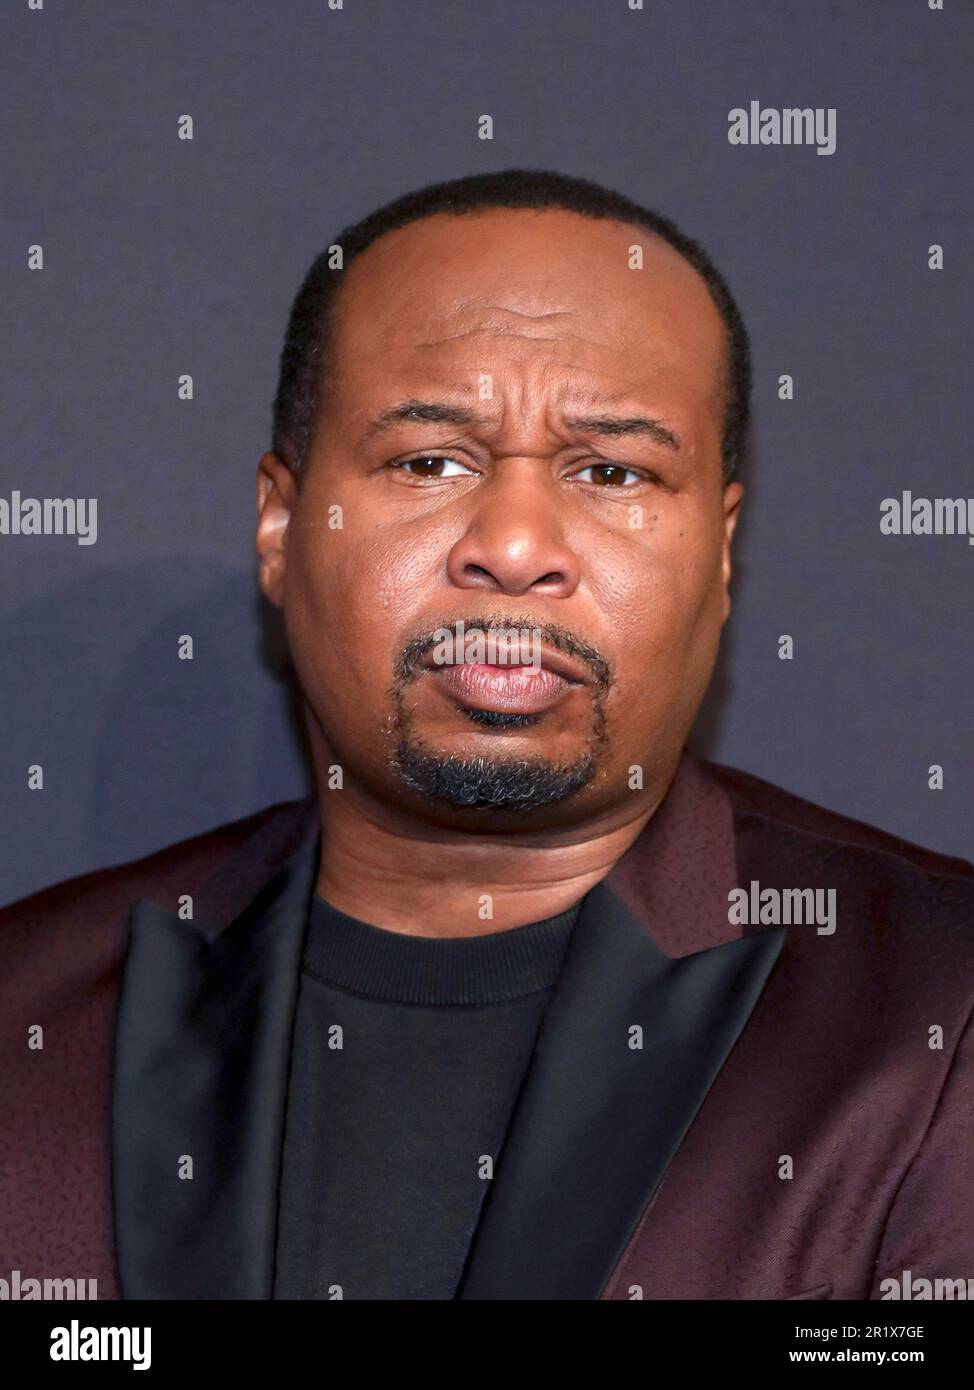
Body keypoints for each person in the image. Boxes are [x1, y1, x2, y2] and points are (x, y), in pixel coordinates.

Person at [2, 169, 972, 1302]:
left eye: (610, 471)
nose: (513, 546)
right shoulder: (25, 1014)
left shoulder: (937, 1018)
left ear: (717, 553)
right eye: (428, 461)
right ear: (280, 523)